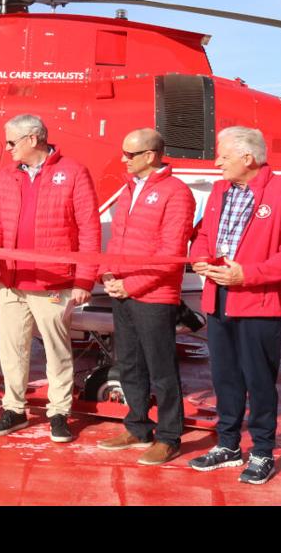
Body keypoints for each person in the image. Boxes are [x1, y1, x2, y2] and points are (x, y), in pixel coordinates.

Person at [187, 126, 281, 484]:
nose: (217, 162)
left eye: (224, 156)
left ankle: (262, 451)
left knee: (259, 379)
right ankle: (227, 445)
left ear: (248, 158)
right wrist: (200, 258)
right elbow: (203, 234)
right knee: (224, 375)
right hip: (219, 296)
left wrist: (247, 275)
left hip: (259, 300)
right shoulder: (220, 191)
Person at [0, 114, 100, 443]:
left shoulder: (73, 172)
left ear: (32, 139)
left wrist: (84, 280)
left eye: (11, 142)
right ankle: (14, 409)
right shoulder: (8, 175)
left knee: (57, 349)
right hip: (12, 281)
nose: (7, 148)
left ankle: (59, 412)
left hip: (53, 283)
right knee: (12, 348)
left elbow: (89, 228)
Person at [96, 129, 195, 465]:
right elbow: (118, 242)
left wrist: (132, 285)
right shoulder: (128, 190)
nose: (123, 159)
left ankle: (169, 437)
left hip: (154, 295)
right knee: (129, 363)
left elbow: (171, 252)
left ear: (150, 155)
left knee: (161, 369)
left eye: (130, 154)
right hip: (123, 291)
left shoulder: (176, 193)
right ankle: (137, 426)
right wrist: (108, 274)